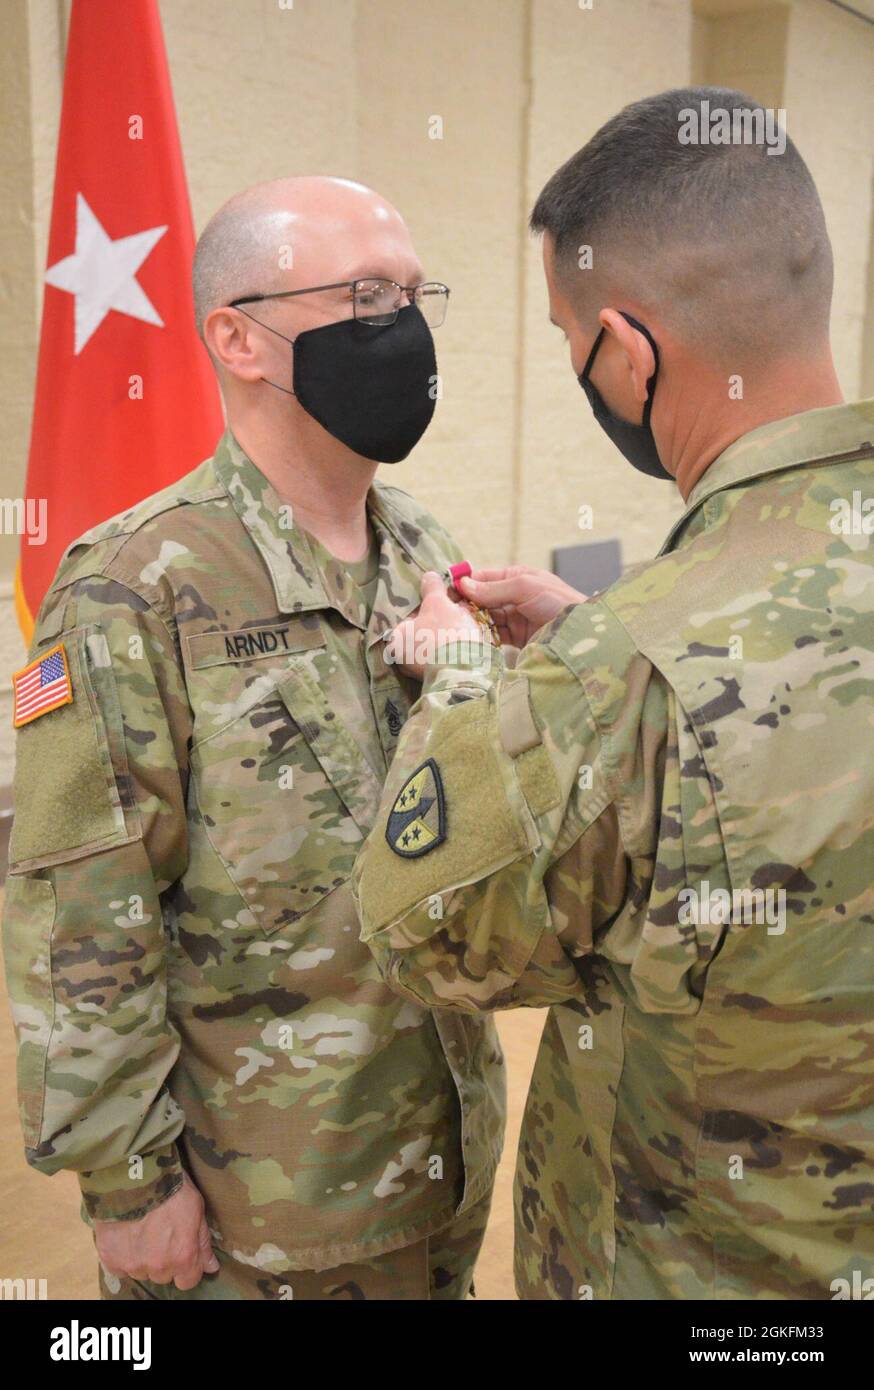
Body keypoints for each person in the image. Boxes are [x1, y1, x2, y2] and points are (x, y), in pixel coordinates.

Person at [353, 88, 874, 1300]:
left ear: (628, 352)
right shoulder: (638, 658)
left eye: (571, 338)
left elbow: (430, 935)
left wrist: (468, 690)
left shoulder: (633, 667)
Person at [2, 176, 504, 1301]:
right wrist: (128, 1184)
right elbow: (80, 911)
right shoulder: (132, 586)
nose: (404, 328)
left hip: (441, 1162)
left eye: (416, 294)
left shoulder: (423, 546)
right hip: (260, 1214)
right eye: (366, 294)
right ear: (239, 338)